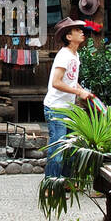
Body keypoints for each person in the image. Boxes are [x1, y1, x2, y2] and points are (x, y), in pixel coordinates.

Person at [43, 18, 95, 178]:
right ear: (69, 37)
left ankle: (65, 182)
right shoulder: (64, 55)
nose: (82, 32)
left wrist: (81, 89)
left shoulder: (75, 54)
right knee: (58, 149)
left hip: (69, 109)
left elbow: (71, 80)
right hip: (56, 109)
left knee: (71, 148)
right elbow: (56, 82)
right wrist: (79, 93)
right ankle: (51, 186)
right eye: (77, 30)